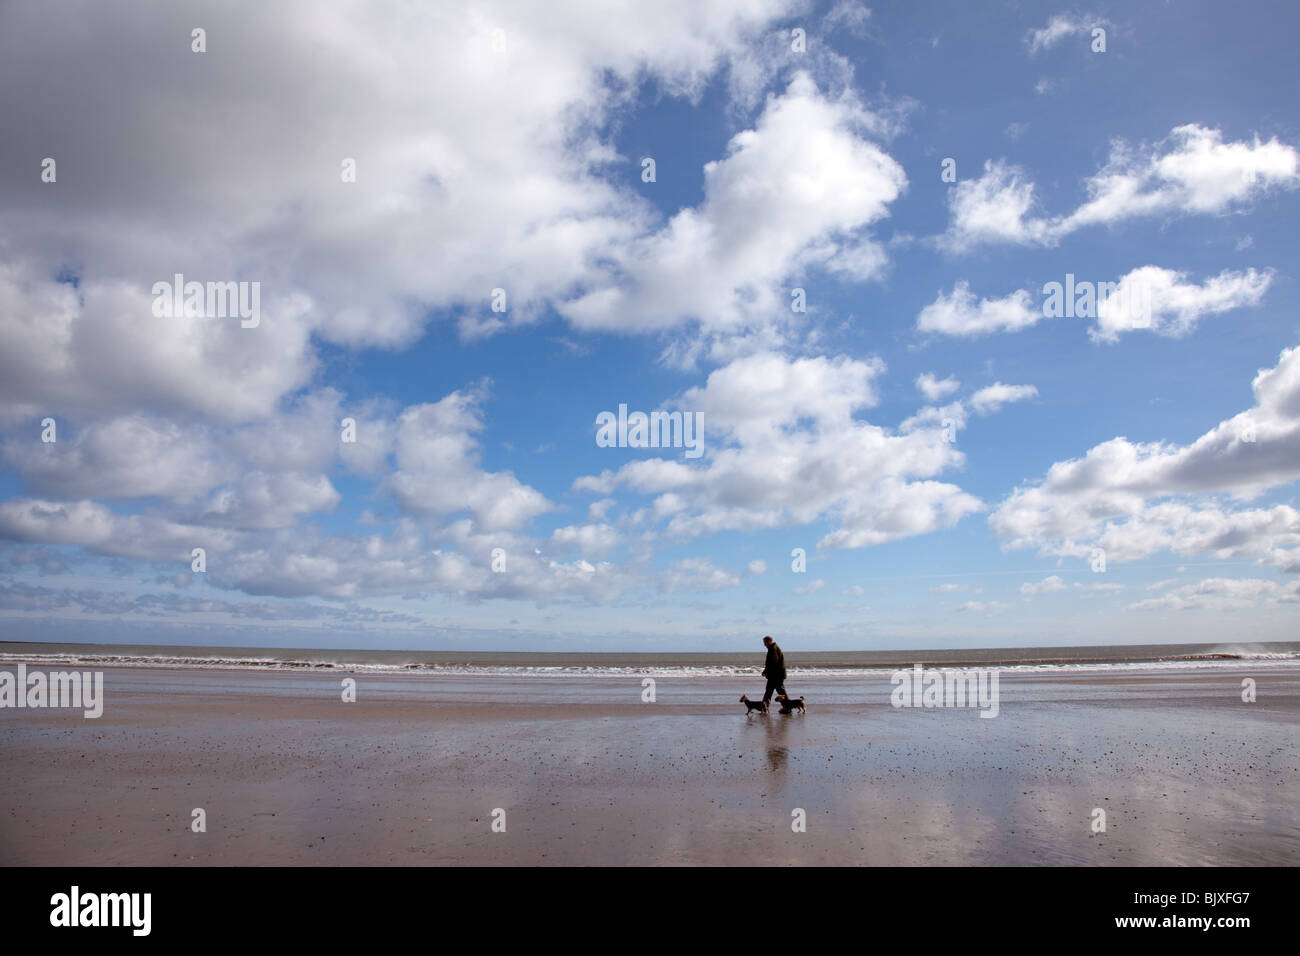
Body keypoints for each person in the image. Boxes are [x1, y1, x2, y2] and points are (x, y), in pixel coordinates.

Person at [761, 635, 787, 706]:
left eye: (765, 643)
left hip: (776, 675)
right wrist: (765, 671)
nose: (764, 645)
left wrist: (766, 671)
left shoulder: (773, 649)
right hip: (776, 675)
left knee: (775, 691)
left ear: (769, 641)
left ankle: (764, 706)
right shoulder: (773, 648)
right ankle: (764, 706)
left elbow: (773, 662)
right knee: (774, 691)